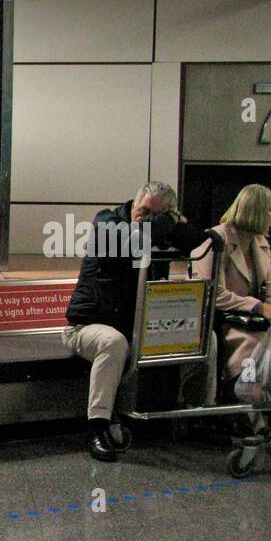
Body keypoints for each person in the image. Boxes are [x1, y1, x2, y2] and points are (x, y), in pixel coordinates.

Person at [61, 181, 209, 462]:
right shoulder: (107, 221)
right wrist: (167, 223)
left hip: (136, 325)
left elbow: (196, 239)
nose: (147, 218)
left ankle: (193, 414)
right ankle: (98, 427)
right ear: (134, 203)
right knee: (113, 343)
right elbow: (132, 237)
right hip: (86, 327)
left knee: (203, 336)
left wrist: (172, 224)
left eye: (158, 215)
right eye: (144, 211)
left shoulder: (158, 228)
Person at [192, 183, 271, 405]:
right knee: (252, 355)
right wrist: (258, 307)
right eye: (269, 211)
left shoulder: (260, 243)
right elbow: (214, 294)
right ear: (255, 212)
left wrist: (270, 310)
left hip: (258, 322)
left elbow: (270, 289)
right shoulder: (216, 240)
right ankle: (249, 412)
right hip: (226, 321)